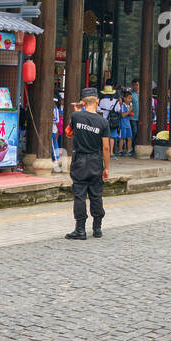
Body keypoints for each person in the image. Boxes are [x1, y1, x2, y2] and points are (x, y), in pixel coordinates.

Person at [64, 89, 111, 240]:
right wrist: (106, 167)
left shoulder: (76, 116)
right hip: (96, 161)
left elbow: (68, 133)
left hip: (79, 160)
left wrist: (77, 112)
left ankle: (80, 229)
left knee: (79, 195)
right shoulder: (103, 122)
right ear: (97, 101)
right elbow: (106, 147)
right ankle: (97, 228)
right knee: (96, 194)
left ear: (82, 103)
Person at [116, 90, 135, 157]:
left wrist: (130, 113)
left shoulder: (128, 106)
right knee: (122, 138)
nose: (130, 100)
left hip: (128, 123)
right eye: (129, 98)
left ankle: (129, 150)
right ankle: (120, 150)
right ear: (124, 98)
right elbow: (123, 115)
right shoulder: (122, 106)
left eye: (131, 98)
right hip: (123, 123)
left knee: (129, 137)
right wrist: (130, 111)